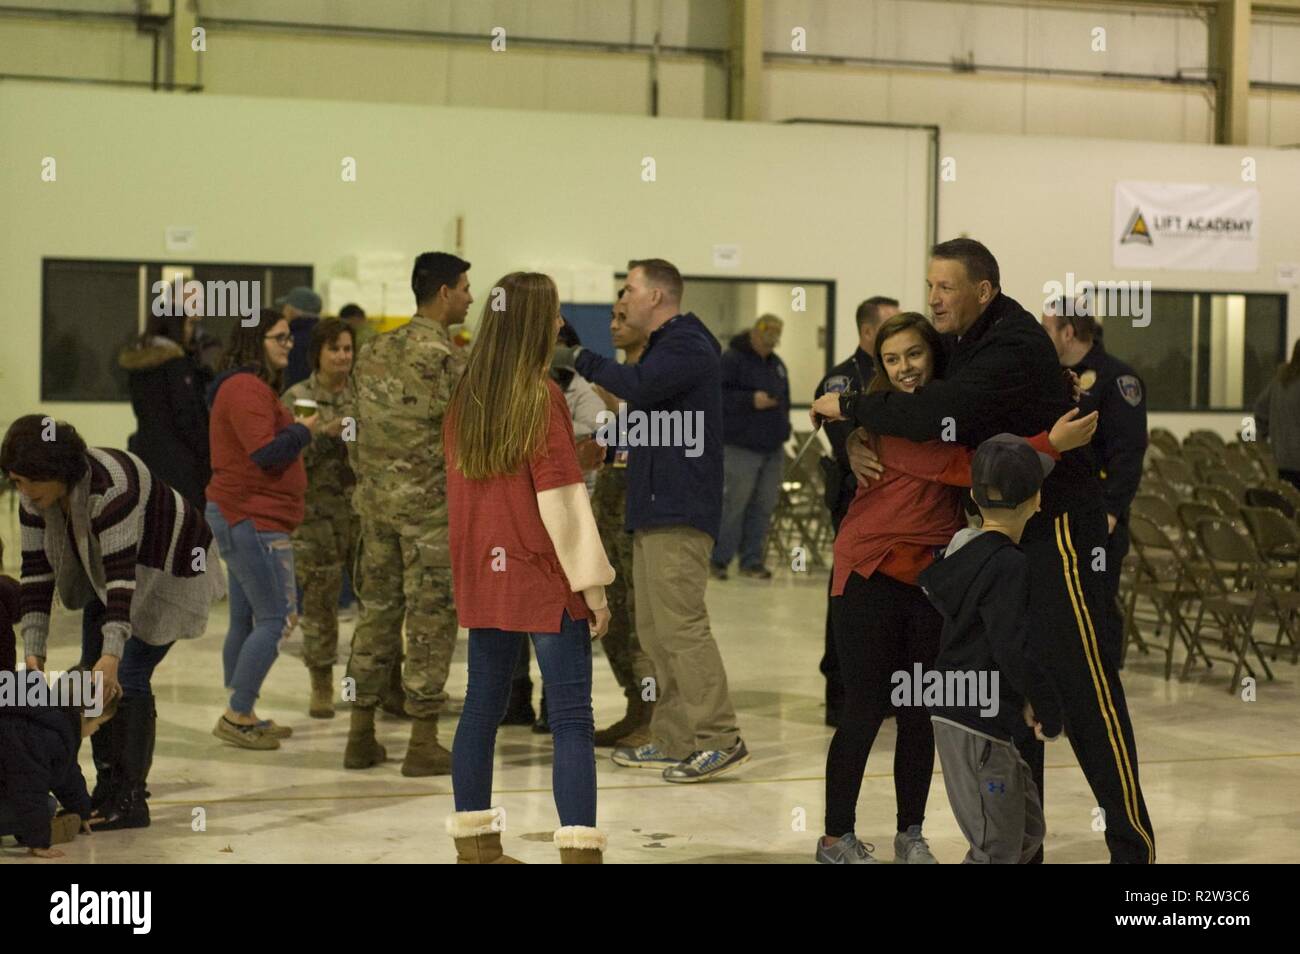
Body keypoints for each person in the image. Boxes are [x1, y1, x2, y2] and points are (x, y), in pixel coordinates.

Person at [817, 238, 1155, 864]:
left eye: (946, 287)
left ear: (983, 290)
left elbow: (941, 410)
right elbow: (888, 375)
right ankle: (1022, 846)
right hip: (996, 532)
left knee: (1083, 685)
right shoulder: (956, 340)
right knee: (1009, 689)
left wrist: (856, 412)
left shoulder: (1014, 342)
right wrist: (847, 434)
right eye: (930, 286)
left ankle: (1132, 850)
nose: (934, 298)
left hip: (1055, 526)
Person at [443, 271, 612, 865]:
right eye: (555, 312)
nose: (561, 323)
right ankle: (579, 854)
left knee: (480, 707)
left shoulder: (467, 399)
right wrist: (593, 588)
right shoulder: (541, 397)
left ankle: (476, 849)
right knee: (570, 717)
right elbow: (562, 502)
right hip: (543, 573)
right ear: (536, 322)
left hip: (483, 572)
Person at [564, 258, 749, 782]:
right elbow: (659, 425)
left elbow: (640, 386)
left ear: (658, 297)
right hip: (654, 507)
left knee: (682, 628)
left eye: (629, 289)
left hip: (679, 508)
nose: (622, 300)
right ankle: (673, 736)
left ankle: (719, 735)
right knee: (655, 631)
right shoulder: (670, 347)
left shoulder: (687, 343)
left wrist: (579, 358)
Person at [3, 415, 223, 828]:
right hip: (104, 580)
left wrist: (111, 655)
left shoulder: (113, 486)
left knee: (129, 674)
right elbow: (36, 575)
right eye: (16, 482)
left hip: (167, 573)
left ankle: (129, 800)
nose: (24, 492)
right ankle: (105, 793)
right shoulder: (35, 500)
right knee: (93, 679)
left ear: (58, 471)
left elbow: (125, 579)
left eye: (29, 481)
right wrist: (33, 653)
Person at [345, 252, 471, 776]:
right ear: (443, 293)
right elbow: (470, 439)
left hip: (375, 511)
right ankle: (422, 742)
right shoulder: (447, 360)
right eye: (464, 288)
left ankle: (360, 735)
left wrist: (373, 482)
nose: (468, 296)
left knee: (375, 615)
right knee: (429, 622)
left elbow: (352, 429)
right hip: (430, 517)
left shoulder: (373, 351)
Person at [918, 434, 1066, 864]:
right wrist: (1046, 705)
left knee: (1026, 832)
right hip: (974, 723)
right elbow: (1011, 647)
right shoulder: (1010, 565)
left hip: (975, 714)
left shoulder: (963, 549)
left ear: (973, 495)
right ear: (1037, 500)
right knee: (997, 846)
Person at [206, 310, 318, 751]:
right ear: (256, 341)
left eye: (290, 338)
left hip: (242, 515)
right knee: (278, 618)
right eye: (278, 338)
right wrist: (301, 431)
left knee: (244, 618)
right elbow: (266, 452)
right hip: (253, 518)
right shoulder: (246, 388)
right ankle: (237, 712)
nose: (288, 345)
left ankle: (242, 708)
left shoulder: (242, 386)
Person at [1043, 300, 1148, 667]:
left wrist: (1110, 512)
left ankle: (1104, 683)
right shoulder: (1049, 377)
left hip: (1098, 514)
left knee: (1096, 603)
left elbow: (1128, 454)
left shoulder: (1116, 379)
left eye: (1047, 329)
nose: (1042, 337)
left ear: (1067, 332)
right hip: (1056, 511)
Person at [815, 295, 899, 727]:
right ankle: (840, 692)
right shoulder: (842, 380)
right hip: (856, 505)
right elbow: (852, 445)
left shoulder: (901, 374)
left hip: (899, 510)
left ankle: (884, 690)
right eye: (888, 327)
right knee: (847, 596)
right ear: (868, 332)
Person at [280, 318, 358, 719]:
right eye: (335, 349)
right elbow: (284, 456)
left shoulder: (364, 395)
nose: (343, 356)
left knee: (379, 603)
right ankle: (322, 684)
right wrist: (321, 434)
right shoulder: (299, 398)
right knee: (321, 603)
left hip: (362, 514)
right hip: (315, 516)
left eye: (347, 349)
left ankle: (373, 685)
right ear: (318, 354)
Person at [588, 293, 657, 747]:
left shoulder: (656, 380)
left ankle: (654, 713)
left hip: (644, 504)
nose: (614, 325)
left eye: (622, 317)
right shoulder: (605, 382)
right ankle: (635, 705)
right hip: (608, 502)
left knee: (644, 616)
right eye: (611, 318)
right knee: (612, 610)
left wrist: (617, 412)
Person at [710, 314, 790, 580]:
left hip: (772, 448)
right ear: (754, 333)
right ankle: (719, 560)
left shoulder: (777, 365)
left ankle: (752, 560)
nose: (770, 344)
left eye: (774, 339)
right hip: (740, 447)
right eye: (766, 337)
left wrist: (784, 429)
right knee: (734, 505)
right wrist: (749, 400)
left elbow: (784, 400)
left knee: (763, 506)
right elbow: (716, 397)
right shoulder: (732, 360)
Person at [118, 311, 212, 508]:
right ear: (176, 326)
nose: (192, 332)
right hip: (181, 465)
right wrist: (205, 452)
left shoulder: (139, 367)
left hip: (147, 455)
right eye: (188, 325)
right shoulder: (176, 366)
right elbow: (186, 415)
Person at [1255, 340, 1300, 491]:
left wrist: (1263, 435)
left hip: (1280, 459)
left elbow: (1260, 408)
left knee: (1289, 504)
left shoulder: (1279, 381)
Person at [278, 286, 323, 389]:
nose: (283, 312)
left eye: (285, 307)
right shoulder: (324, 336)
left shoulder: (289, 341)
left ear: (293, 311)